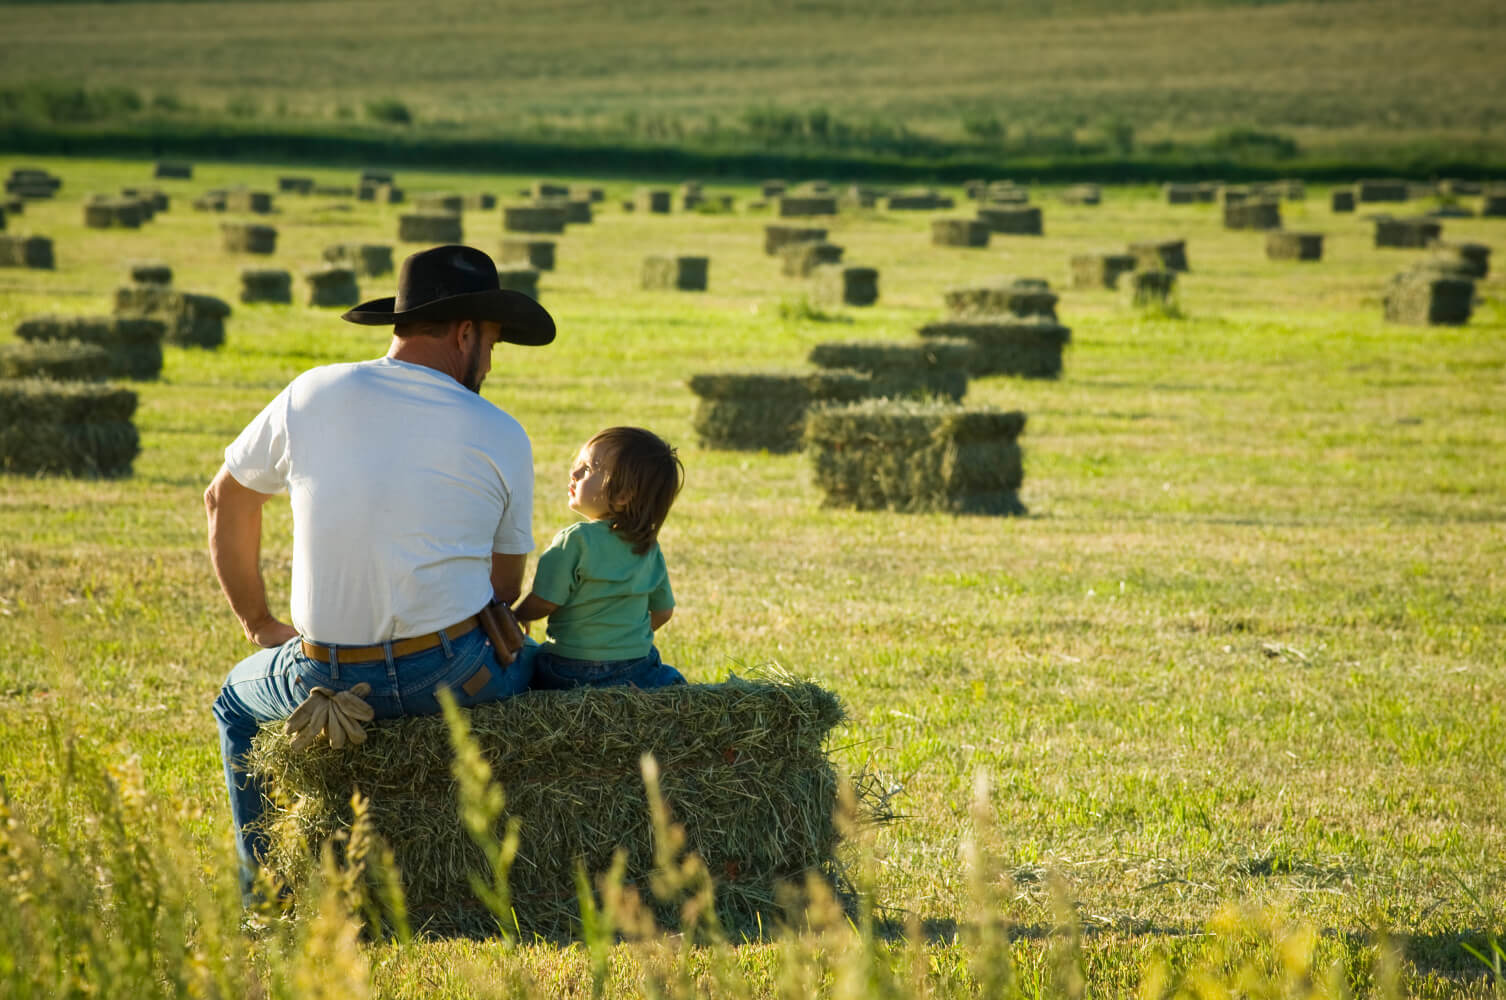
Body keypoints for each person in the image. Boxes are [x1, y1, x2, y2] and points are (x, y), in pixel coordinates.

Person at [207, 244, 554, 894]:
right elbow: (504, 590)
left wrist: (259, 623)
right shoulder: (501, 430)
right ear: (466, 333)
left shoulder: (310, 391)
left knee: (235, 702)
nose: (490, 361)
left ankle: (265, 894)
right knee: (541, 669)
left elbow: (225, 496)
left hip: (321, 673)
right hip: (450, 675)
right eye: (494, 344)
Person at [513, 426, 687, 690]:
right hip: (635, 667)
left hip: (569, 668)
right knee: (668, 678)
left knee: (526, 659)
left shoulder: (576, 540)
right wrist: (622, 641)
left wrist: (518, 614)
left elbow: (545, 602)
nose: (574, 474)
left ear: (623, 496)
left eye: (588, 469)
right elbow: (663, 611)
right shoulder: (649, 548)